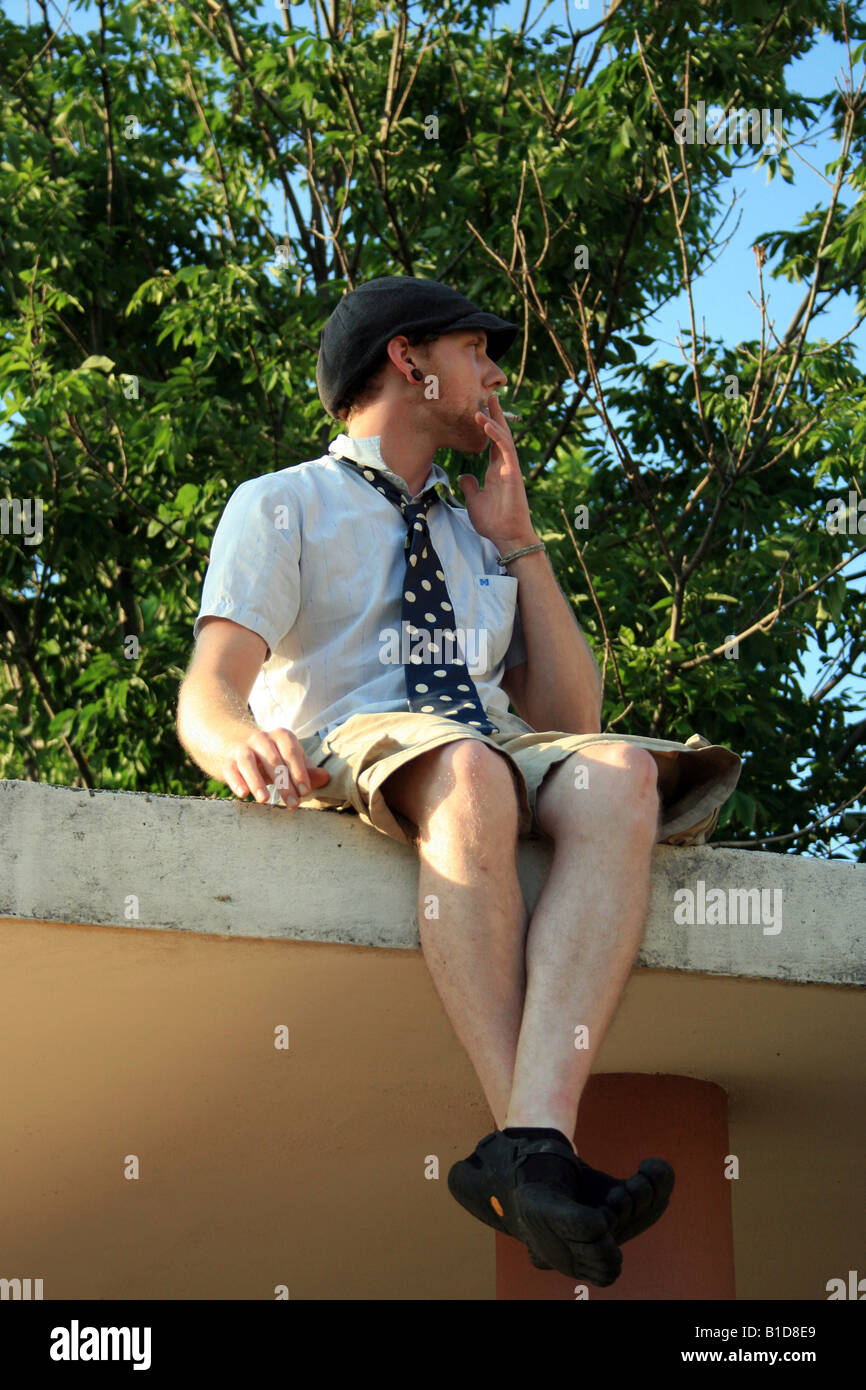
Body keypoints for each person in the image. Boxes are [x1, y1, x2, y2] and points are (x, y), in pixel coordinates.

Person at [176, 275, 742, 1285]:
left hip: (491, 739)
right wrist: (234, 744)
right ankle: (534, 1147)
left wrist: (516, 540)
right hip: (367, 736)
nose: (492, 372)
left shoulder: (472, 526)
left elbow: (569, 723)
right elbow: (209, 690)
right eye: (476, 349)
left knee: (619, 776)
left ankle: (528, 1149)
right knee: (472, 774)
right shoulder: (282, 503)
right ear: (408, 360)